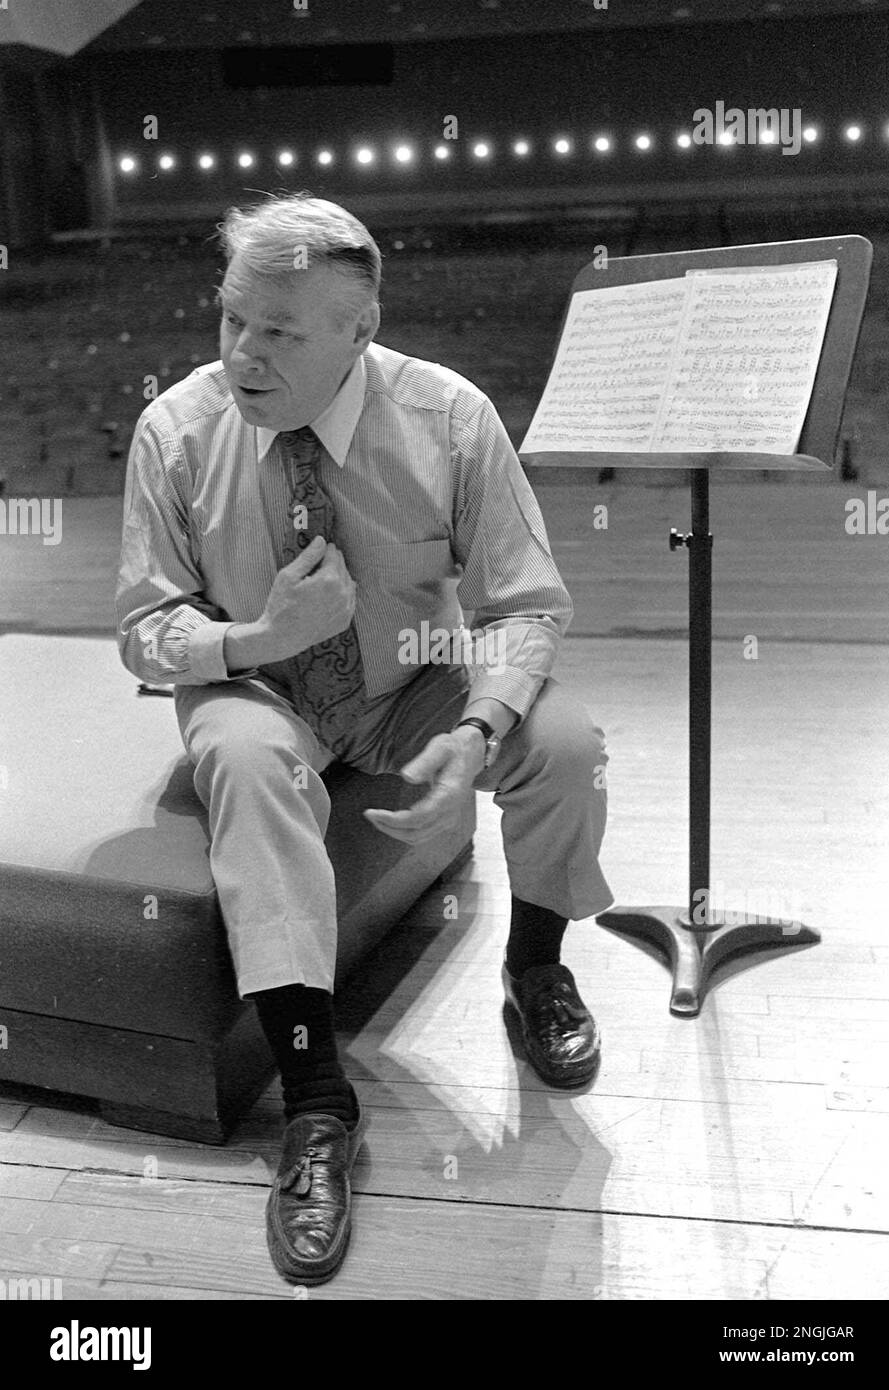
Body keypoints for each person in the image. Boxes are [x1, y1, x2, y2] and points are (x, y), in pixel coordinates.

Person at [115, 192, 614, 1286]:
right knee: (245, 762)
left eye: (280, 331)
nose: (243, 350)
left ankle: (534, 974)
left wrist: (481, 729)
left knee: (567, 741)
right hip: (261, 690)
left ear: (361, 327)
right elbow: (146, 635)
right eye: (231, 318)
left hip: (415, 684)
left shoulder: (448, 415)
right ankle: (316, 1102)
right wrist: (256, 633)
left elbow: (526, 605)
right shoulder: (177, 430)